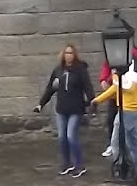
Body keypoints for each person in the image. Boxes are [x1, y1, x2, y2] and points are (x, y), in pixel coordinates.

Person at [36, 44, 96, 178]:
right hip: (62, 109)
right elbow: (50, 89)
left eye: (71, 53)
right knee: (62, 137)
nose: (69, 56)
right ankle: (67, 164)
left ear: (75, 55)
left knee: (71, 136)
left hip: (76, 109)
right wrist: (41, 104)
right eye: (67, 53)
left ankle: (79, 165)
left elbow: (88, 87)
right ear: (63, 55)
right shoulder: (58, 70)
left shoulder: (80, 70)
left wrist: (92, 100)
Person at [92, 61, 137, 186]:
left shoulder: (132, 69)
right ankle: (123, 168)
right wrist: (97, 100)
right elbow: (115, 88)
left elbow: (128, 87)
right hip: (123, 110)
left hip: (130, 111)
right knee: (117, 141)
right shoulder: (121, 71)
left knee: (130, 143)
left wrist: (115, 76)